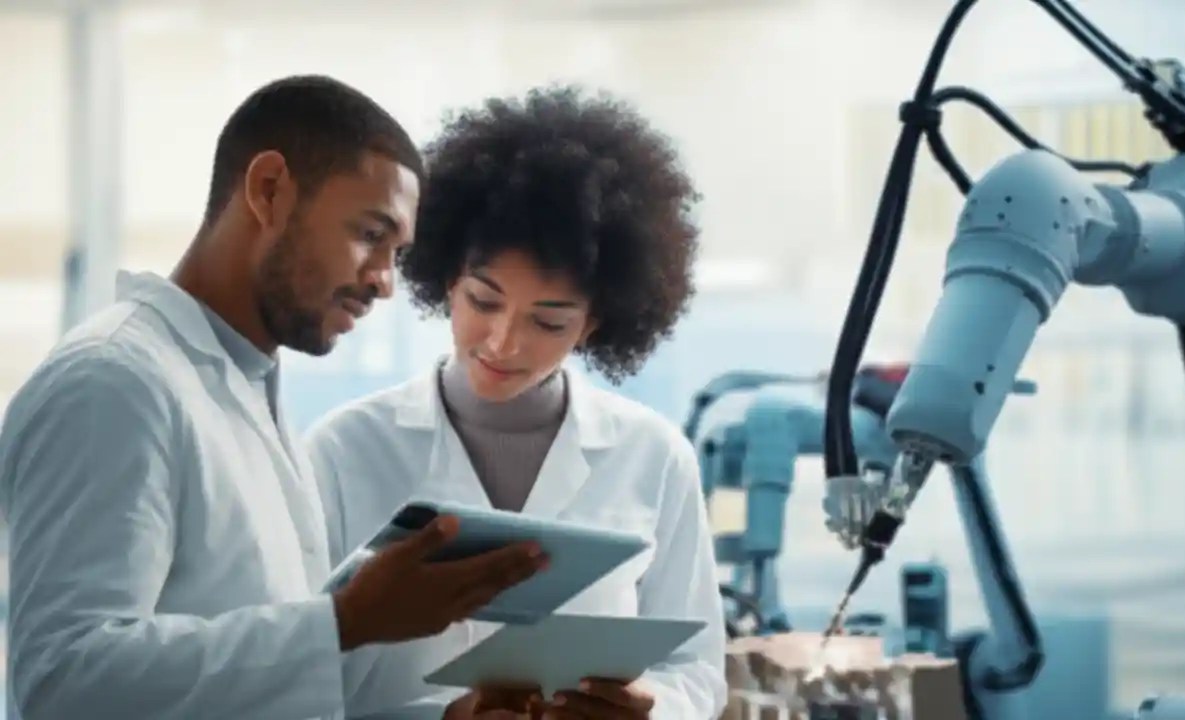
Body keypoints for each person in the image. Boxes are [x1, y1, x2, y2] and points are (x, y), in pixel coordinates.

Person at [0, 75, 547, 720]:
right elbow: (62, 680)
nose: (384, 283)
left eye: (397, 252)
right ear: (268, 190)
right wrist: (345, 621)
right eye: (371, 233)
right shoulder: (113, 384)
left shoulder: (250, 388)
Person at [304, 85, 727, 720]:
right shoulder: (344, 450)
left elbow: (697, 669)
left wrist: (651, 709)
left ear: (594, 323)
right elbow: (298, 678)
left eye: (549, 322)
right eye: (483, 301)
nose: (503, 343)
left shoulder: (654, 456)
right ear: (447, 280)